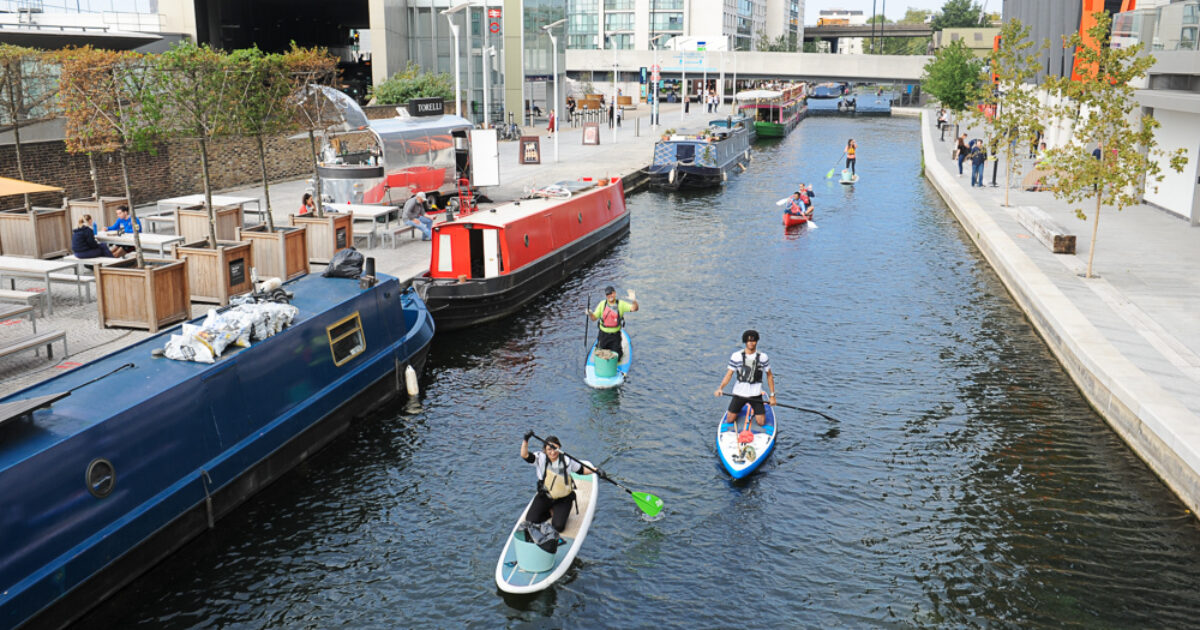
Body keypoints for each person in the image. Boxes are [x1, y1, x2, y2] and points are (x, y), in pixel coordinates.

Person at [520, 433, 600, 532]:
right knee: (531, 521)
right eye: (549, 449)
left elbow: (582, 470)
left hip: (563, 498)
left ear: (559, 448)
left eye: (555, 449)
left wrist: (596, 470)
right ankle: (550, 512)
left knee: (558, 527)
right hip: (545, 495)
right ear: (545, 450)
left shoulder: (567, 460)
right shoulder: (540, 457)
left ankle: (558, 512)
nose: (553, 452)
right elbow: (525, 455)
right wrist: (525, 440)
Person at [714, 330, 776, 427]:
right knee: (730, 420)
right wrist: (720, 388)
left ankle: (754, 410)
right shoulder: (736, 356)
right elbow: (729, 374)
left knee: (761, 422)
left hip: (755, 394)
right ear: (745, 342)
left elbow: (769, 376)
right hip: (739, 394)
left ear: (756, 342)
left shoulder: (763, 357)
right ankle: (741, 408)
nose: (751, 343)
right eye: (748, 341)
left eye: (753, 340)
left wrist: (772, 396)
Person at [587, 285, 638, 361]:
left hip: (615, 336)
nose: (610, 296)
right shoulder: (602, 304)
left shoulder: (621, 304)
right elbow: (594, 318)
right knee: (600, 355)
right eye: (608, 294)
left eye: (611, 293)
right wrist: (590, 313)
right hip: (603, 335)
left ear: (615, 293)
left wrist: (634, 300)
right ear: (606, 296)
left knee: (618, 357)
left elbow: (634, 308)